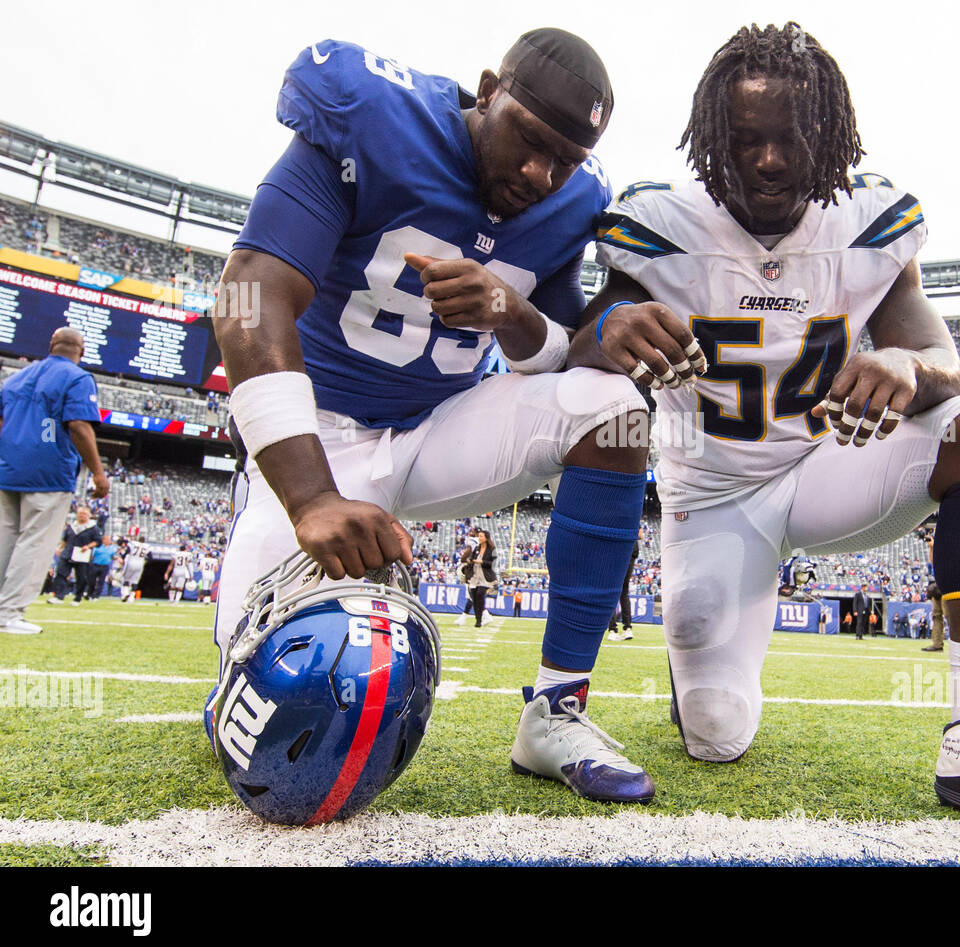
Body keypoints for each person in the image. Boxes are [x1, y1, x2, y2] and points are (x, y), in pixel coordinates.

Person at [569, 22, 960, 849]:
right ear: (711, 138)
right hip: (715, 495)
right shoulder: (659, 221)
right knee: (718, 734)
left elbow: (941, 357)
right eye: (744, 139)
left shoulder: (868, 219)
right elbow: (581, 339)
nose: (767, 161)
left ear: (828, 136)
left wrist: (905, 366)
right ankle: (702, 656)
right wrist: (614, 324)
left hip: (835, 464)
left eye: (790, 139)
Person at [208, 32, 653, 803]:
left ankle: (556, 710)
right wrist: (310, 496)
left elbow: (554, 358)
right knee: (250, 710)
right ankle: (272, 505)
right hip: (325, 434)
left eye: (567, 162)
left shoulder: (571, 203)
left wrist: (511, 310)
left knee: (613, 407)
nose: (542, 175)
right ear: (488, 90)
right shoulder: (376, 118)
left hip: (443, 424)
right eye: (531, 142)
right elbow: (248, 294)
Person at [0, 328, 109, 632]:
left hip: (8, 468)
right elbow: (77, 424)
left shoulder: (16, 378)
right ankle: (8, 613)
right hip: (48, 471)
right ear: (82, 352)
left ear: (50, 345)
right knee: (34, 543)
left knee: (5, 539)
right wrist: (98, 472)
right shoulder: (76, 378)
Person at [58, 505, 103, 604]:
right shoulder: (72, 526)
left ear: (89, 515)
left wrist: (88, 546)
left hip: (82, 554)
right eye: (80, 514)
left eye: (84, 514)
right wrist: (60, 549)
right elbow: (65, 539)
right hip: (68, 552)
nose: (82, 516)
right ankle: (59, 596)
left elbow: (98, 541)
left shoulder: (93, 528)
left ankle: (78, 597)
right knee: (61, 573)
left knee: (81, 577)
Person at [607, 532, 639, 640]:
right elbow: (639, 534)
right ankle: (627, 628)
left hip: (615, 549)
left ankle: (612, 629)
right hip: (629, 549)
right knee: (624, 593)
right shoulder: (632, 514)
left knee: (612, 592)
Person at [921, 580, 945, 651]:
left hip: (949, 586)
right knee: (936, 617)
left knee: (952, 616)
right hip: (937, 588)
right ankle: (937, 644)